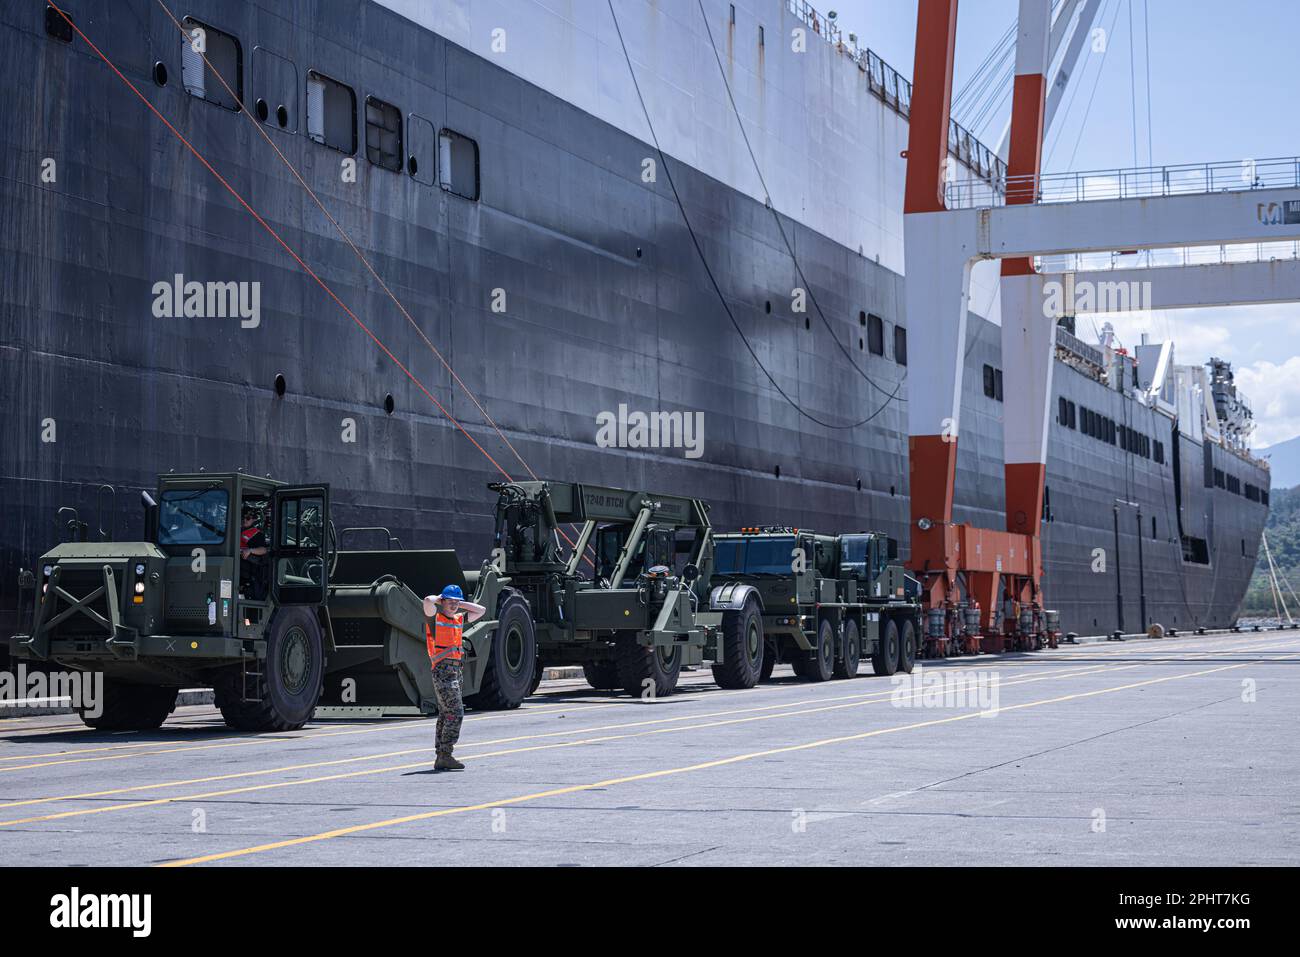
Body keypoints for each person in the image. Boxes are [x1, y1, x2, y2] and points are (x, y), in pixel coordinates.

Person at [422, 584, 486, 771]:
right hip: (443, 671)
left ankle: (442, 755)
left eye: (456, 602)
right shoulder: (435, 618)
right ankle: (445, 754)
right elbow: (427, 601)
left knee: (445, 714)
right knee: (456, 712)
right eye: (450, 602)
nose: (453, 605)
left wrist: (460, 603)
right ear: (442, 602)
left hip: (456, 671)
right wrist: (441, 598)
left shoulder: (458, 618)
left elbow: (481, 610)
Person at [239, 503, 269, 600]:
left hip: (249, 572)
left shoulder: (257, 534)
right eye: (243, 517)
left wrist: (250, 550)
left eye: (248, 518)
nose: (244, 520)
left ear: (254, 519)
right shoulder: (234, 530)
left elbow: (263, 550)